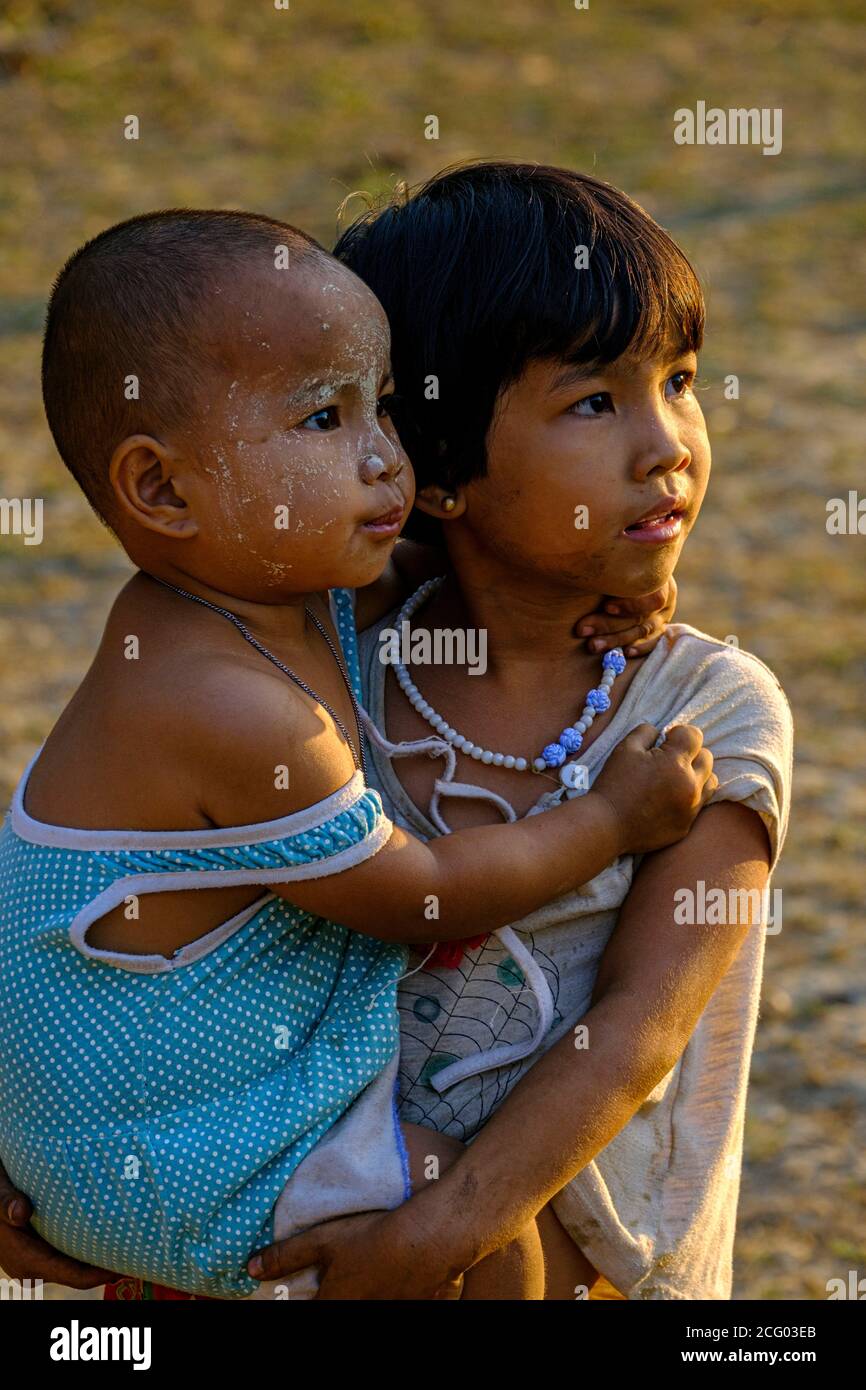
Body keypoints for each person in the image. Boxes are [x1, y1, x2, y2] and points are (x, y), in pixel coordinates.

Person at [0, 208, 714, 1299]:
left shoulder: (271, 596)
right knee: (477, 1243)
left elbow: (488, 545)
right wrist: (611, 821)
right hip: (151, 1150)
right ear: (162, 490)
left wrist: (623, 570)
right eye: (326, 418)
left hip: (155, 1109)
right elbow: (420, 895)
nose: (387, 458)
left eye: (382, 407)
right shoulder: (218, 703)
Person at [242, 162, 794, 1300]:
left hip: (575, 1266)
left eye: (678, 381)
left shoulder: (704, 711)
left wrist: (436, 1237)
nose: (669, 445)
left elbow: (643, 1022)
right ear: (437, 469)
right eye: (593, 401)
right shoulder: (325, 659)